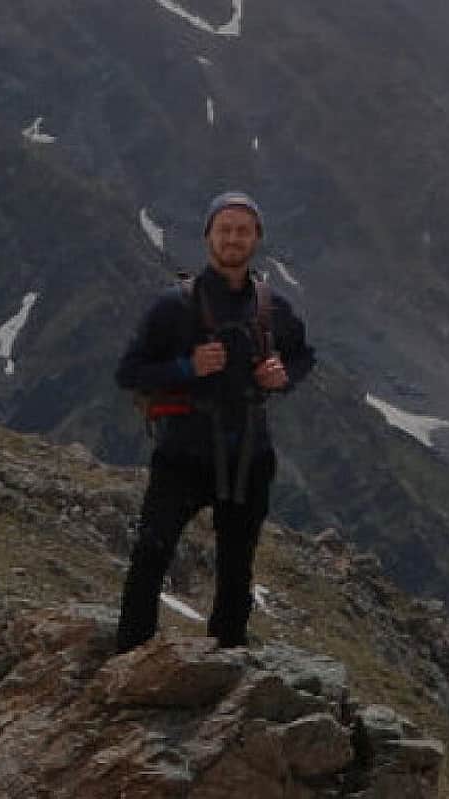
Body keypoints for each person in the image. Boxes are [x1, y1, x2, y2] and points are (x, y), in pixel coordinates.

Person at [114, 191, 315, 653]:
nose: (233, 238)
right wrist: (187, 368)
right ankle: (130, 654)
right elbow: (130, 372)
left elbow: (304, 355)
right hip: (182, 453)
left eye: (243, 230)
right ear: (208, 237)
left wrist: (283, 377)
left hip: (249, 454)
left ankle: (227, 657)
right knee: (151, 551)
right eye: (224, 229)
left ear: (256, 239)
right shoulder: (173, 307)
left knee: (236, 565)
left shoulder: (273, 308)